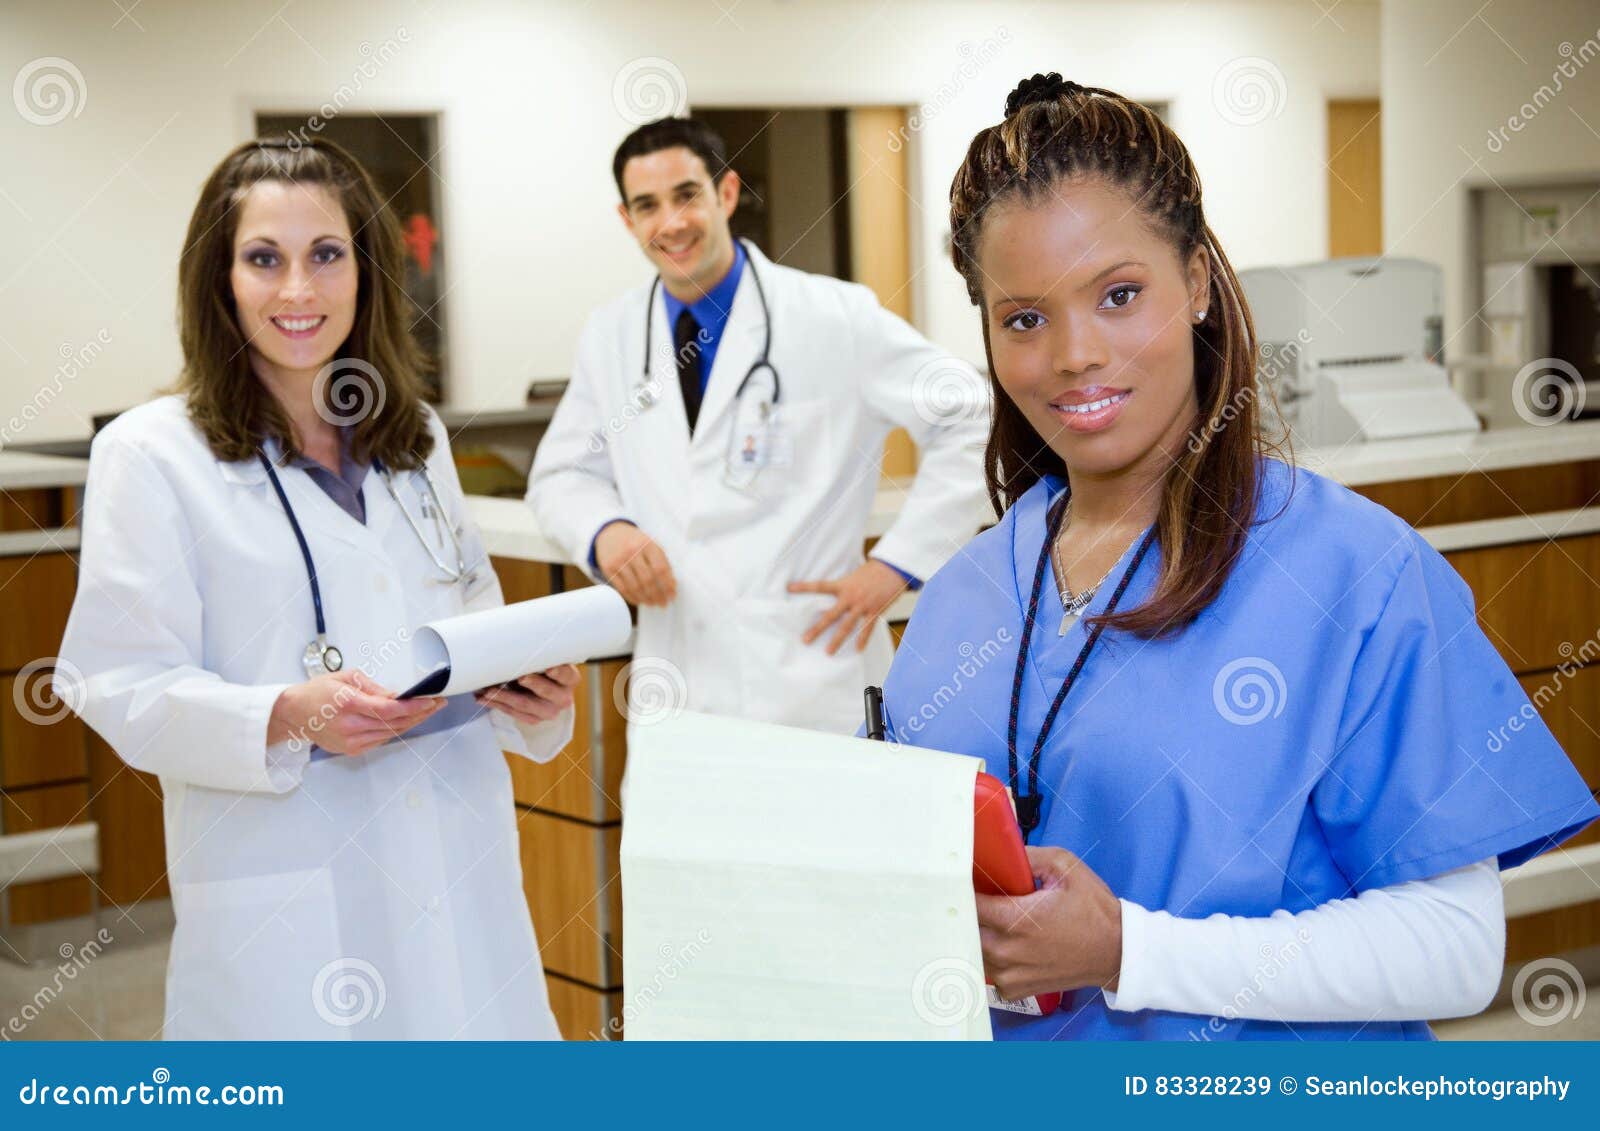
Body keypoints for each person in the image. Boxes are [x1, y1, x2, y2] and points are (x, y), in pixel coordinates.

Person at [878, 74, 1600, 1040]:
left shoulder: (1352, 573)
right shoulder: (962, 597)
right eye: (1024, 319)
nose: (1074, 353)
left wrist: (1129, 951)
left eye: (1119, 295)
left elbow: (1453, 950)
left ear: (1198, 284)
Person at [58, 137, 577, 1040]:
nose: (298, 289)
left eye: (327, 254)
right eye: (265, 258)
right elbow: (116, 679)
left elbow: (475, 617)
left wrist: (528, 691)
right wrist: (284, 716)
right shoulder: (150, 455)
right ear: (219, 280)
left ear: (366, 270)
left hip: (457, 858)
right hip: (287, 892)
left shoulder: (416, 437)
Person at [527, 117, 989, 734]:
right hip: (679, 680)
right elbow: (561, 474)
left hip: (810, 677)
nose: (671, 223)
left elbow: (972, 416)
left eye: (686, 195)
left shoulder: (832, 315)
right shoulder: (611, 334)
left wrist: (898, 565)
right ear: (626, 218)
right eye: (647, 205)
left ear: (726, 192)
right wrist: (604, 532)